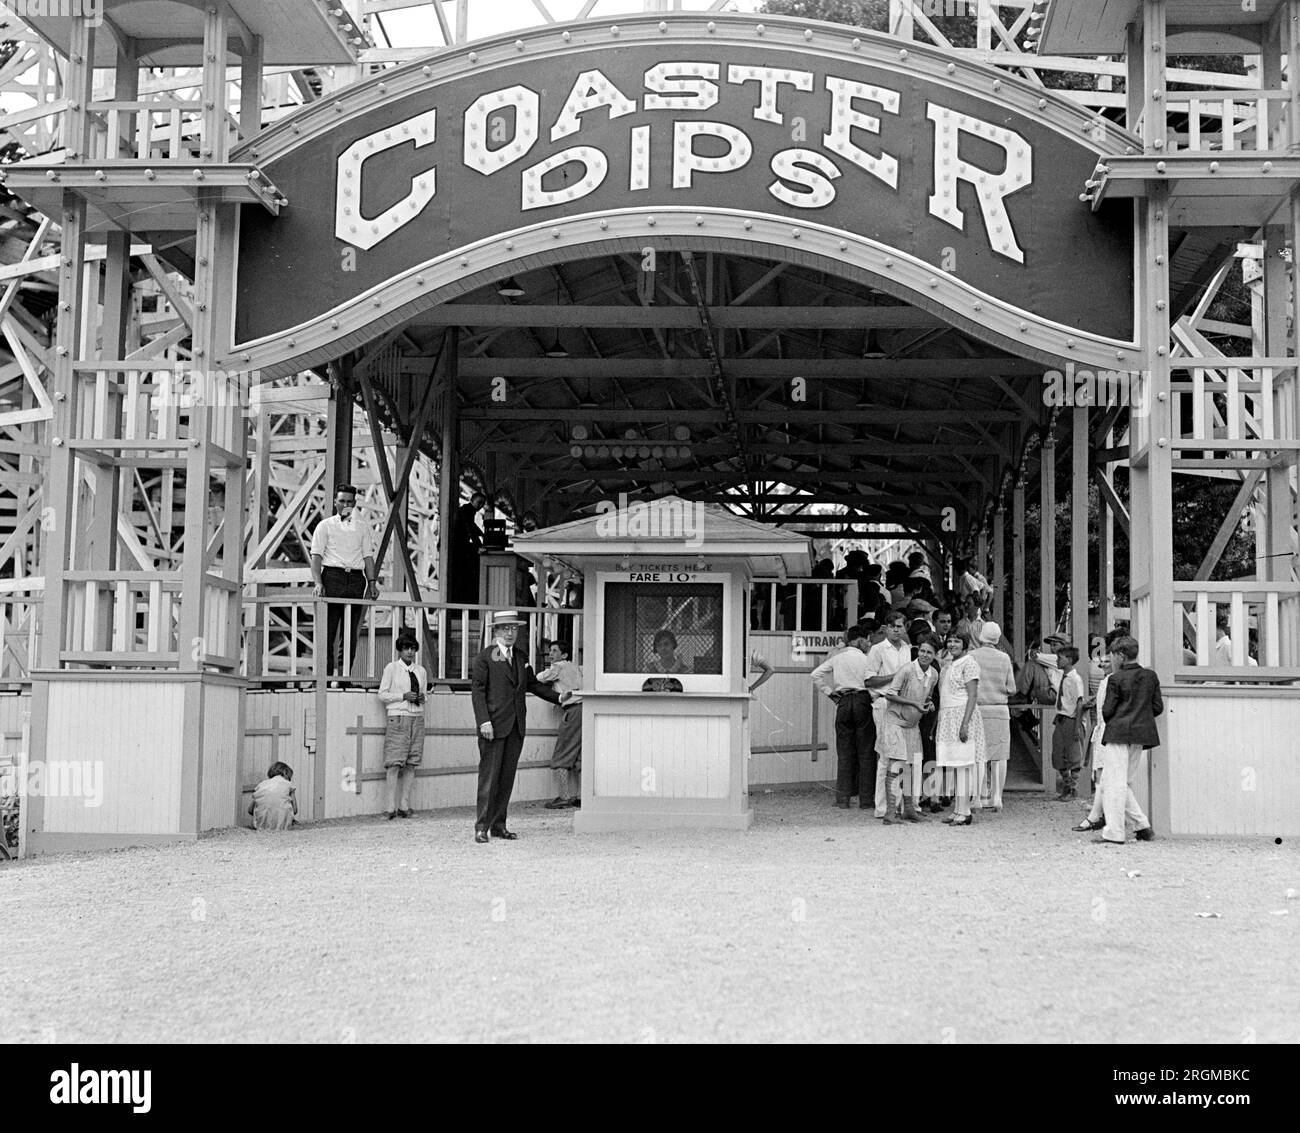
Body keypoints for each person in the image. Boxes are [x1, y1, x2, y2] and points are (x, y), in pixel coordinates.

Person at [469, 610, 560, 842]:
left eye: (514, 629)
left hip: (516, 726)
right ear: (496, 631)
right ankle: (482, 826)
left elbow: (532, 685)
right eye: (505, 629)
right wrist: (484, 721)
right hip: (493, 726)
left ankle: (499, 825)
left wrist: (560, 698)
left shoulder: (520, 656)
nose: (510, 633)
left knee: (507, 778)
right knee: (489, 778)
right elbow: (478, 693)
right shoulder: (484, 658)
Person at [811, 625, 894, 808]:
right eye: (866, 639)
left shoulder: (837, 658)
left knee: (844, 752)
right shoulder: (867, 659)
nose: (868, 643)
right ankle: (866, 800)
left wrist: (830, 692)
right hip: (863, 701)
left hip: (843, 702)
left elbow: (815, 674)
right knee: (866, 752)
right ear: (858, 640)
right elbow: (873, 684)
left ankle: (843, 799)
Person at [1093, 636, 1160, 845]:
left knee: (1113, 783)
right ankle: (1142, 827)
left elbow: (1107, 710)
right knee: (1124, 782)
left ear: (1120, 655)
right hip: (1140, 735)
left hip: (1118, 733)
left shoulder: (1115, 679)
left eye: (1112, 655)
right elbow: (1157, 707)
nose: (1111, 660)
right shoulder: (1150, 676)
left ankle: (1115, 831)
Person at [309, 484, 378, 680]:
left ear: (354, 503)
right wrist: (318, 582)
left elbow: (368, 557)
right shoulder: (325, 526)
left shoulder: (362, 527)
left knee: (350, 634)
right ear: (335, 502)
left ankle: (345, 678)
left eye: (349, 501)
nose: (345, 505)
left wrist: (372, 582)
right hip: (333, 576)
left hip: (356, 579)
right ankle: (326, 677)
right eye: (342, 501)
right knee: (328, 631)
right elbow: (316, 557)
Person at [877, 635, 939, 824]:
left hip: (912, 726)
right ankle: (889, 813)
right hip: (895, 722)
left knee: (910, 767)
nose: (924, 655)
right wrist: (914, 703)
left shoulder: (934, 674)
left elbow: (925, 697)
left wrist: (929, 704)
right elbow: (890, 694)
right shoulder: (906, 670)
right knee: (895, 767)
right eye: (922, 651)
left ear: (935, 655)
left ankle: (909, 809)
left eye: (929, 652)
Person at [863, 611, 914, 816]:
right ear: (886, 628)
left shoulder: (907, 650)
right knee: (885, 756)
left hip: (902, 704)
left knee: (900, 756)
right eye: (892, 626)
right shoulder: (877, 649)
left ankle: (897, 804)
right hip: (884, 703)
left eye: (899, 626)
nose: (896, 629)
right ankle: (882, 807)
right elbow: (868, 681)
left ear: (905, 628)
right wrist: (894, 677)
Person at [935, 630, 986, 826]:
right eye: (950, 641)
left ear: (964, 645)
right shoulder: (948, 665)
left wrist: (965, 723)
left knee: (964, 764)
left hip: (962, 715)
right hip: (948, 716)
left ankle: (965, 811)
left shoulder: (970, 663)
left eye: (957, 641)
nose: (952, 645)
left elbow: (972, 695)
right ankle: (958, 808)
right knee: (955, 764)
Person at [378, 631, 427, 819]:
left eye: (412, 648)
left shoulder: (420, 671)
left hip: (417, 717)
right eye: (406, 648)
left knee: (412, 762)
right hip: (398, 717)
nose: (409, 652)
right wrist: (402, 696)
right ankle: (390, 806)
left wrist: (422, 698)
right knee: (394, 762)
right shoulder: (391, 668)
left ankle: (404, 805)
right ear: (400, 650)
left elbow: (424, 693)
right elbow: (382, 694)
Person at [971, 622, 1017, 811]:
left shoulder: (972, 656)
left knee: (978, 756)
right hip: (999, 710)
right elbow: (1012, 688)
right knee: (999, 756)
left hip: (978, 710)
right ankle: (997, 797)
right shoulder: (1004, 658)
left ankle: (978, 796)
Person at [538, 640, 583, 809]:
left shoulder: (558, 667)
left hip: (572, 710)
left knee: (562, 753)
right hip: (586, 709)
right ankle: (580, 795)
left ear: (564, 655)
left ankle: (564, 796)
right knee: (580, 755)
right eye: (550, 651)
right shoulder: (576, 667)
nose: (551, 654)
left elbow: (539, 679)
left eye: (555, 651)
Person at [1051, 644, 1087, 800]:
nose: (1058, 660)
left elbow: (1079, 702)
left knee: (1073, 756)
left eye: (1061, 658)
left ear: (1070, 660)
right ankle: (1065, 787)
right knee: (1059, 754)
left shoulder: (1075, 679)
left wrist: (1077, 726)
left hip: (1071, 719)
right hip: (1061, 718)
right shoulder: (1062, 677)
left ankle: (1072, 789)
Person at [449, 491, 486, 604]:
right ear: (472, 500)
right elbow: (469, 527)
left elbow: (471, 526)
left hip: (457, 543)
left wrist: (482, 534)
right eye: (479, 502)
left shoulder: (466, 510)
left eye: (482, 504)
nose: (480, 506)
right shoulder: (468, 511)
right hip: (458, 544)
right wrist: (478, 545)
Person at [249, 761, 297, 830]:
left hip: (261, 826)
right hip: (283, 826)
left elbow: (250, 810)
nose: (289, 780)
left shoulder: (261, 785)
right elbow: (295, 810)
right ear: (285, 773)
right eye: (289, 777)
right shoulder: (289, 785)